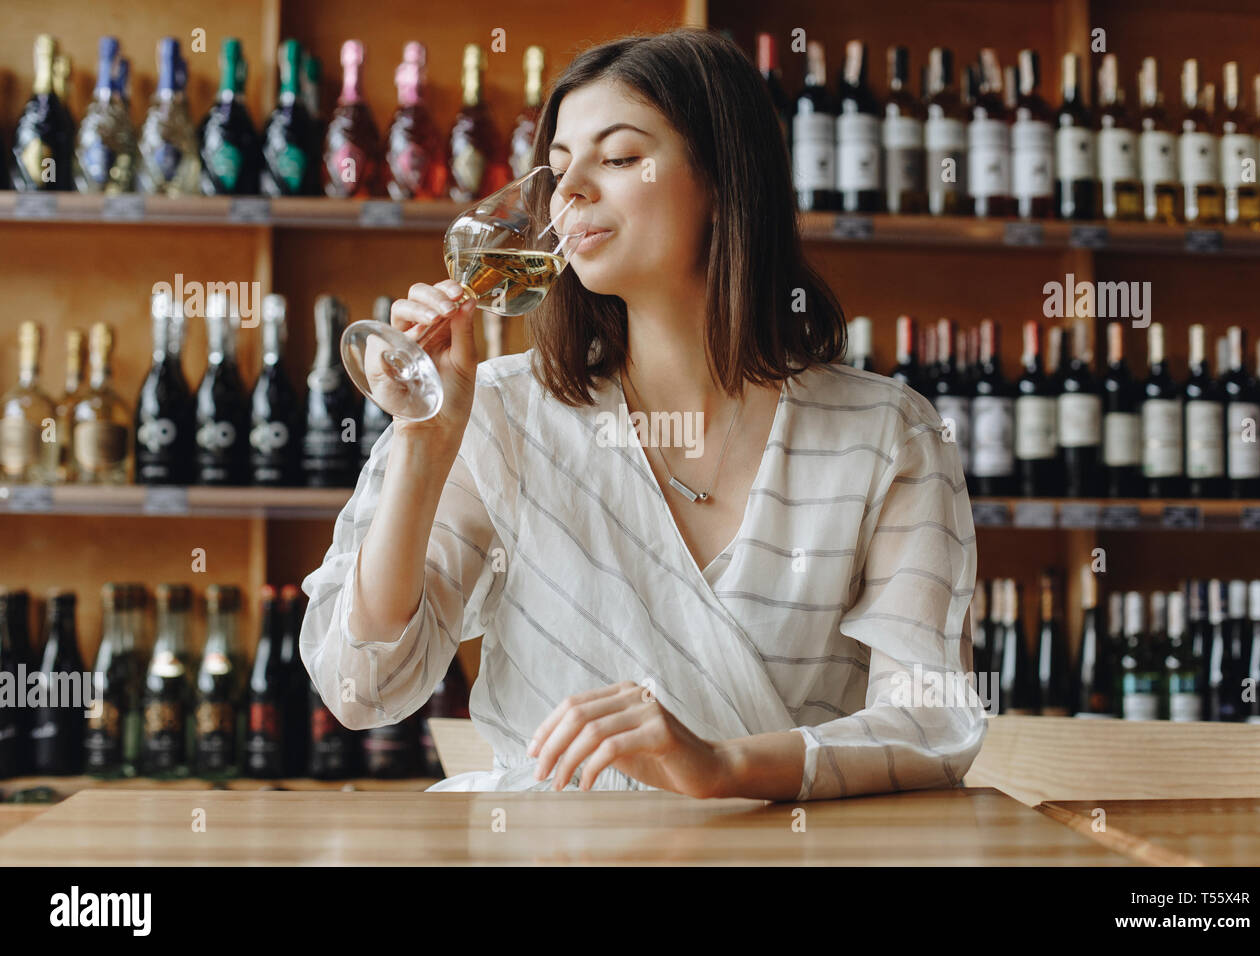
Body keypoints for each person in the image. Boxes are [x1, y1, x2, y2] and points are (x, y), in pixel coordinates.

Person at [300, 28, 985, 800]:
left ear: (726, 181)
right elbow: (361, 687)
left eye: (620, 158)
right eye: (558, 170)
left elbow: (932, 725)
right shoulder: (501, 414)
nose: (569, 193)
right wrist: (426, 442)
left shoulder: (887, 436)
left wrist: (721, 768)